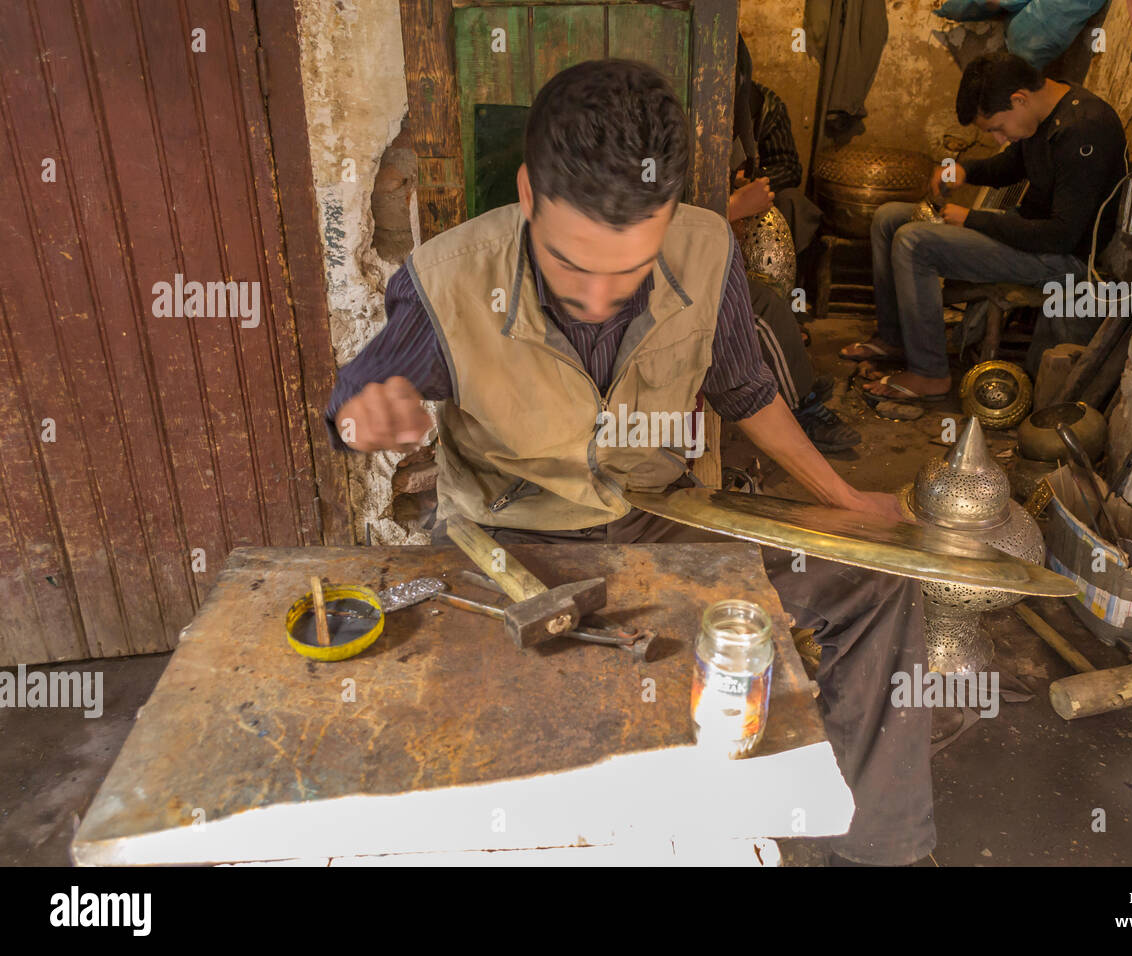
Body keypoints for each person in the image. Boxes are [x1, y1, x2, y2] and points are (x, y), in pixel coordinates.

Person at [325, 60, 935, 866]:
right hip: (510, 539)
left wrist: (844, 499)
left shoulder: (706, 246)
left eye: (632, 270)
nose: (603, 298)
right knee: (468, 723)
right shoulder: (448, 278)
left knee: (877, 579)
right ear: (529, 196)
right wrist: (365, 414)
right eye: (574, 266)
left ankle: (879, 848)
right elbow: (357, 396)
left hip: (660, 518)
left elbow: (746, 390)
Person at [851, 52, 1127, 404]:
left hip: (1061, 259)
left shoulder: (1085, 129)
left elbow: (1061, 236)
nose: (999, 138)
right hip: (1027, 236)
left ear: (1019, 99)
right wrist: (965, 171)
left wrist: (971, 219)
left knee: (914, 241)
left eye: (997, 127)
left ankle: (930, 373)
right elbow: (1011, 165)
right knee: (890, 218)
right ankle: (894, 338)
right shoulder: (1045, 111)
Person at [730, 37, 854, 453]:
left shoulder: (763, 105)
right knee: (758, 302)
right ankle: (800, 404)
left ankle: (790, 352)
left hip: (750, 197)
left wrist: (753, 184)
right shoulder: (684, 117)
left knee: (792, 207)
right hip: (696, 231)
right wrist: (731, 205)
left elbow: (790, 167)